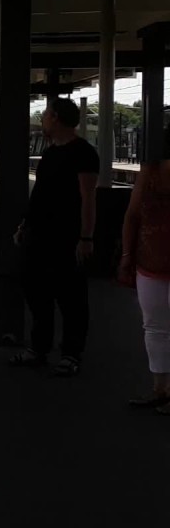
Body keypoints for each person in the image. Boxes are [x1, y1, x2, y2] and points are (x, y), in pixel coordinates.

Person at [9, 98, 99, 377]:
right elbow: (41, 194)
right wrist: (25, 224)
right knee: (36, 291)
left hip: (67, 236)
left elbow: (88, 198)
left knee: (71, 296)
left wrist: (86, 237)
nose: (44, 119)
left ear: (56, 118)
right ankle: (39, 347)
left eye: (47, 115)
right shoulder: (49, 154)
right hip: (38, 234)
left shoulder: (83, 152)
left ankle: (71, 353)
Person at [118, 156, 170, 413]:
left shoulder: (150, 173)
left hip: (151, 259)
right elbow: (132, 217)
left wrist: (127, 255)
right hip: (151, 262)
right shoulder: (149, 173)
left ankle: (161, 389)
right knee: (154, 327)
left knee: (155, 328)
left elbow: (131, 216)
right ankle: (162, 390)